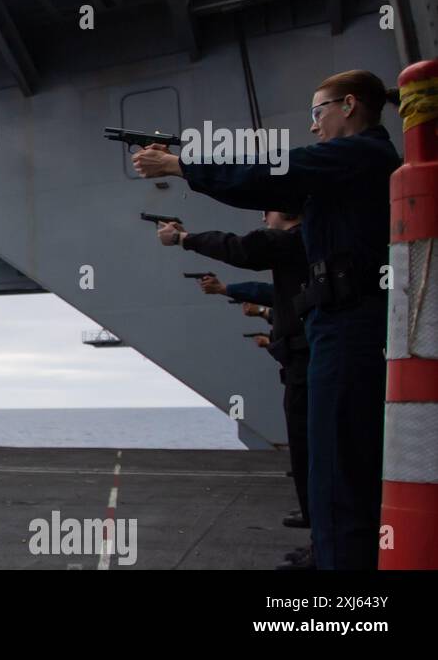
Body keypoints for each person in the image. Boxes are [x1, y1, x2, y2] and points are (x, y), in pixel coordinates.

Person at [134, 70, 400, 570]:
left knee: (340, 459)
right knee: (329, 460)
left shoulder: (362, 155)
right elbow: (266, 244)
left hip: (349, 322)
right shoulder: (345, 178)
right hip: (332, 322)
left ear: (348, 105)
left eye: (317, 113)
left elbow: (272, 176)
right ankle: (333, 556)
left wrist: (180, 163)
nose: (314, 126)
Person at [157, 210, 313, 568]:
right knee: (311, 451)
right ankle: (320, 531)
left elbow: (247, 253)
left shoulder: (296, 240)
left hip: (309, 362)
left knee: (315, 451)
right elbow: (276, 295)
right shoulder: (307, 243)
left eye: (268, 210)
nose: (263, 217)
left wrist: (185, 238)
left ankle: (325, 539)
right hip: (303, 360)